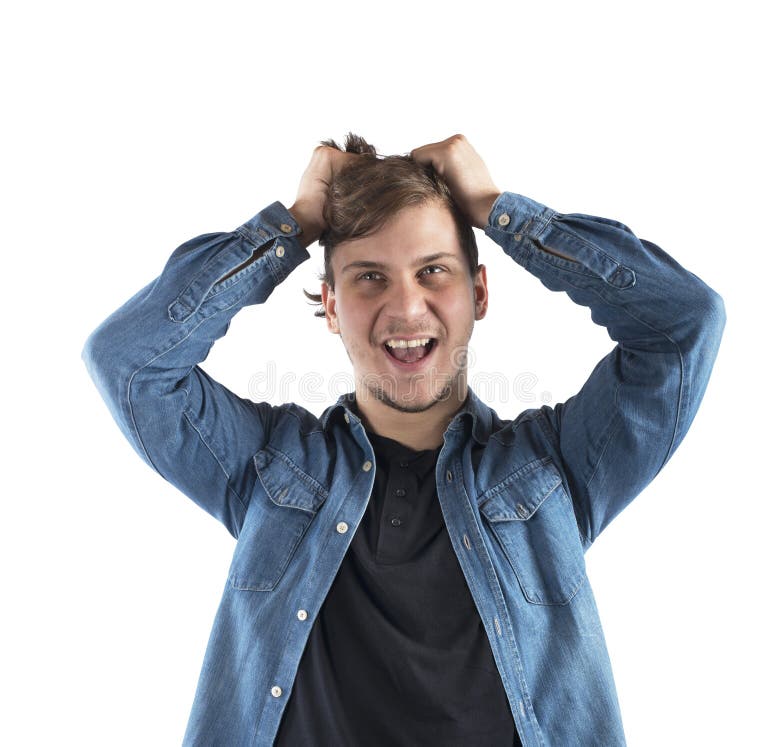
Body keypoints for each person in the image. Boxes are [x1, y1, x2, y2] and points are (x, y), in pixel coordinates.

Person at [81, 133, 725, 746]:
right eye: (370, 277)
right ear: (331, 307)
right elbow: (128, 361)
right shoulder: (268, 466)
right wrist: (293, 226)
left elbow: (683, 323)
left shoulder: (554, 467)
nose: (407, 308)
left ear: (478, 292)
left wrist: (500, 213)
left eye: (433, 271)